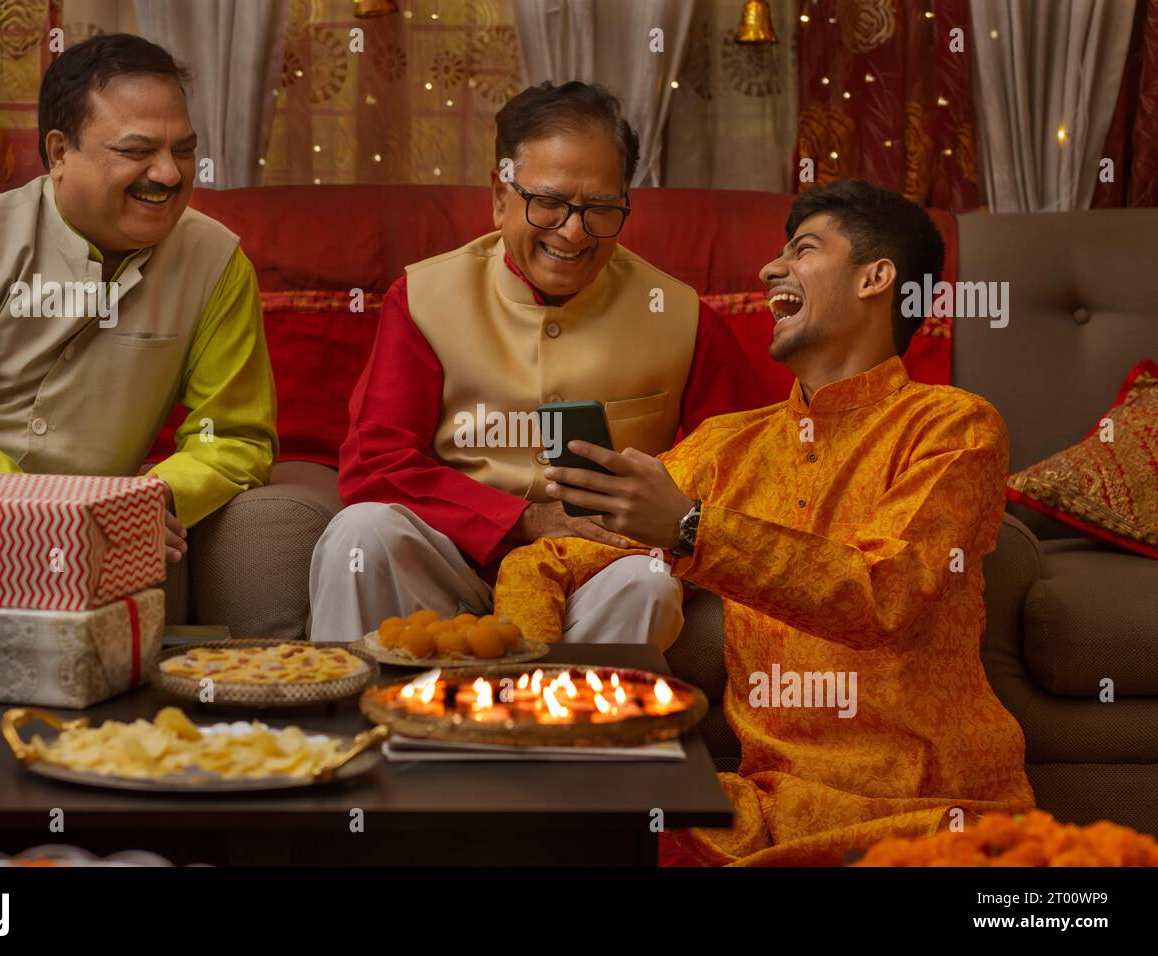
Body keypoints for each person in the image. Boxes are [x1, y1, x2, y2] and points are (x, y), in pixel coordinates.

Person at [494, 179, 1036, 865]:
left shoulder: (952, 426)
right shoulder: (728, 447)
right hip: (765, 813)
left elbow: (881, 594)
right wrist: (520, 703)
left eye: (802, 250)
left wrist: (691, 529)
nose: (769, 270)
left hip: (936, 816)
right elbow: (544, 558)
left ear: (876, 277)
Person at [309, 80, 763, 647]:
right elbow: (375, 464)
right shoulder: (424, 297)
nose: (573, 232)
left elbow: (746, 470)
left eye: (599, 209)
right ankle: (362, 731)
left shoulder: (680, 315)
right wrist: (519, 519)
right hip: (454, 560)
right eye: (548, 203)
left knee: (647, 584)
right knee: (363, 532)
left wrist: (663, 523)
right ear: (501, 197)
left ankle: (566, 734)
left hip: (592, 575)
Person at [0, 34, 278, 628]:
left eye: (183, 149)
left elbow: (236, 437)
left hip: (77, 550)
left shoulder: (216, 264)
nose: (168, 173)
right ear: (59, 152)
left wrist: (138, 506)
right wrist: (55, 513)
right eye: (136, 150)